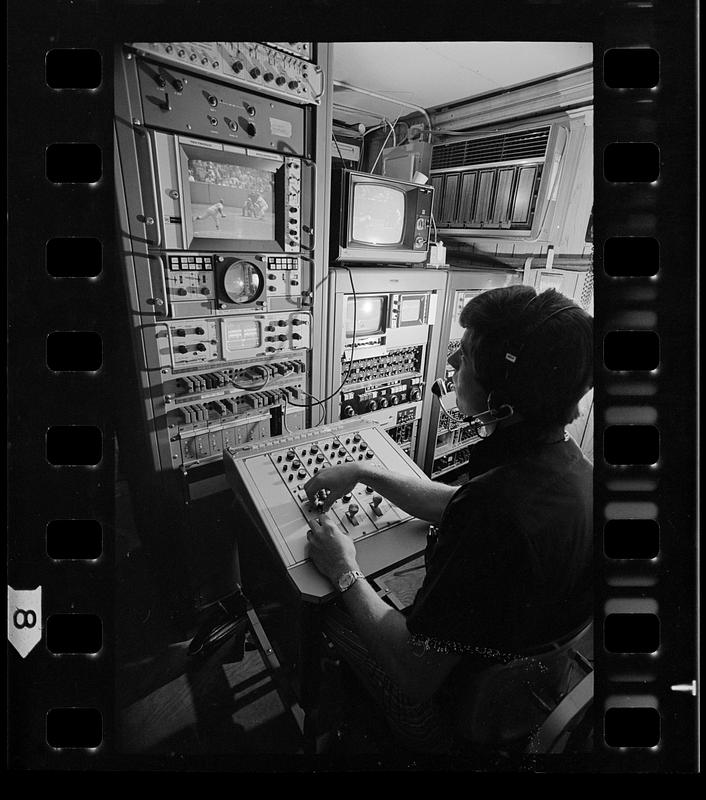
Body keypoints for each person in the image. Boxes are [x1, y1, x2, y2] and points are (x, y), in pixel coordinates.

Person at [304, 285, 593, 753]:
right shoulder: (571, 468)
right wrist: (364, 471)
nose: (454, 361)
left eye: (467, 353)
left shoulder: (493, 512)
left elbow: (414, 673)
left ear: (503, 391)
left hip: (449, 713)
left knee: (324, 610)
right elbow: (460, 502)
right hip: (532, 692)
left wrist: (343, 569)